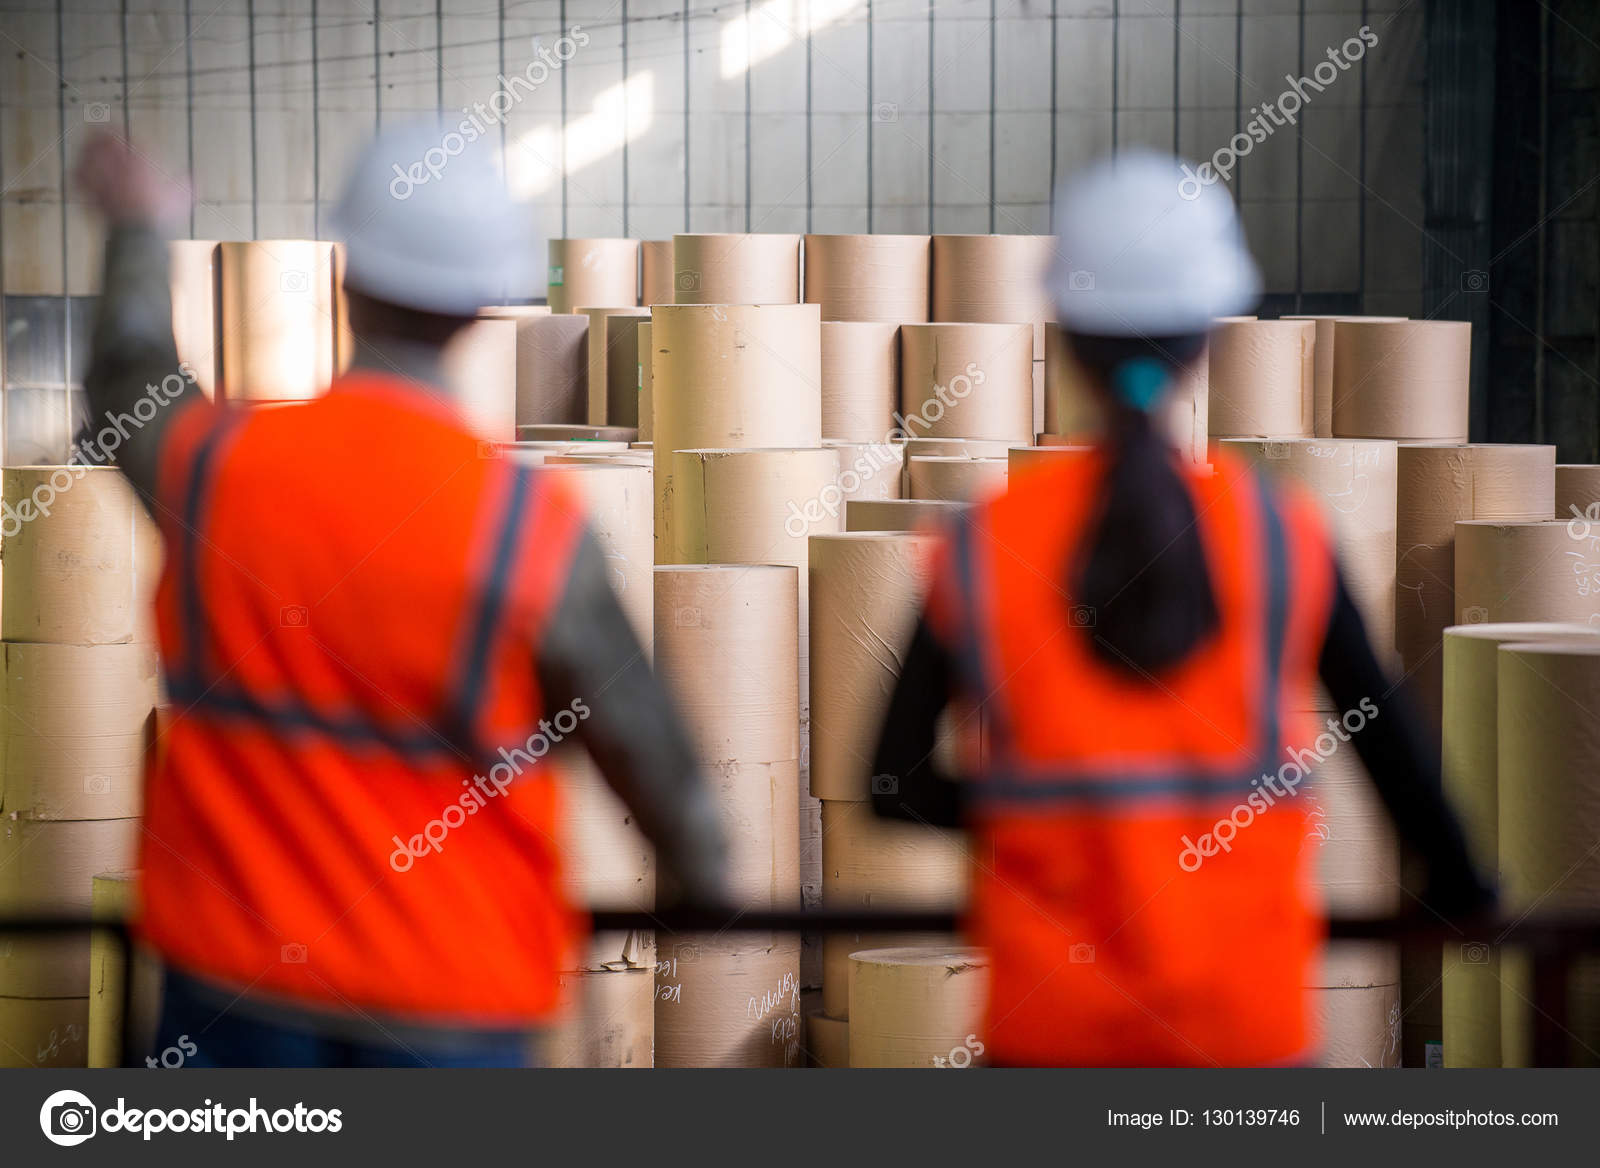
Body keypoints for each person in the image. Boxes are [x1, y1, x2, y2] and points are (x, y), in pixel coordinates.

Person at [74, 126, 729, 1067]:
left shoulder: (219, 468)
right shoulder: (524, 526)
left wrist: (138, 225)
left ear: (347, 280)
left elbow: (124, 377)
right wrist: (704, 881)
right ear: (477, 311)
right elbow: (653, 754)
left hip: (230, 987)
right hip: (447, 995)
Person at [870, 151, 1494, 1068]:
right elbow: (1413, 791)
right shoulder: (1280, 538)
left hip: (1053, 1037)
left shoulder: (983, 545)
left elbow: (890, 785)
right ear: (1206, 336)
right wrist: (1465, 890)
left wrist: (1030, 824)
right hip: (1242, 1036)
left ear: (1068, 342)